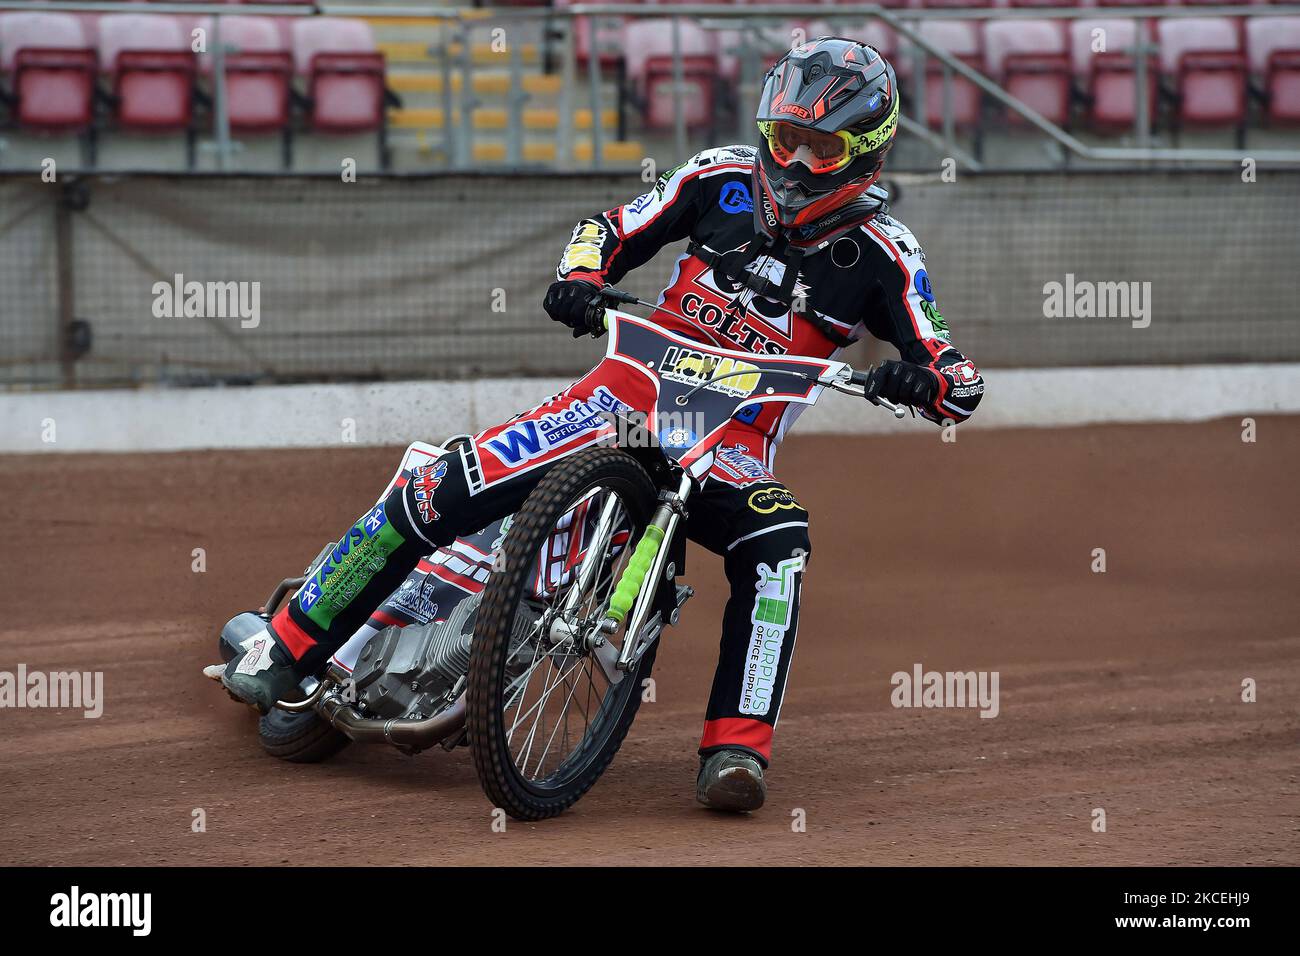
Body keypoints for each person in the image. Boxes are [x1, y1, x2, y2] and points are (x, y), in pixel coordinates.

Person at [221, 37, 985, 813]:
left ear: (866, 154)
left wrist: (922, 381)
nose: (792, 163)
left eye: (819, 147)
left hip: (730, 446)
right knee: (437, 488)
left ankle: (737, 751)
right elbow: (607, 228)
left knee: (780, 542)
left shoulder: (888, 254)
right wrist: (580, 279)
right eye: (784, 137)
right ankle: (285, 644)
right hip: (616, 398)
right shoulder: (718, 176)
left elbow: (960, 380)